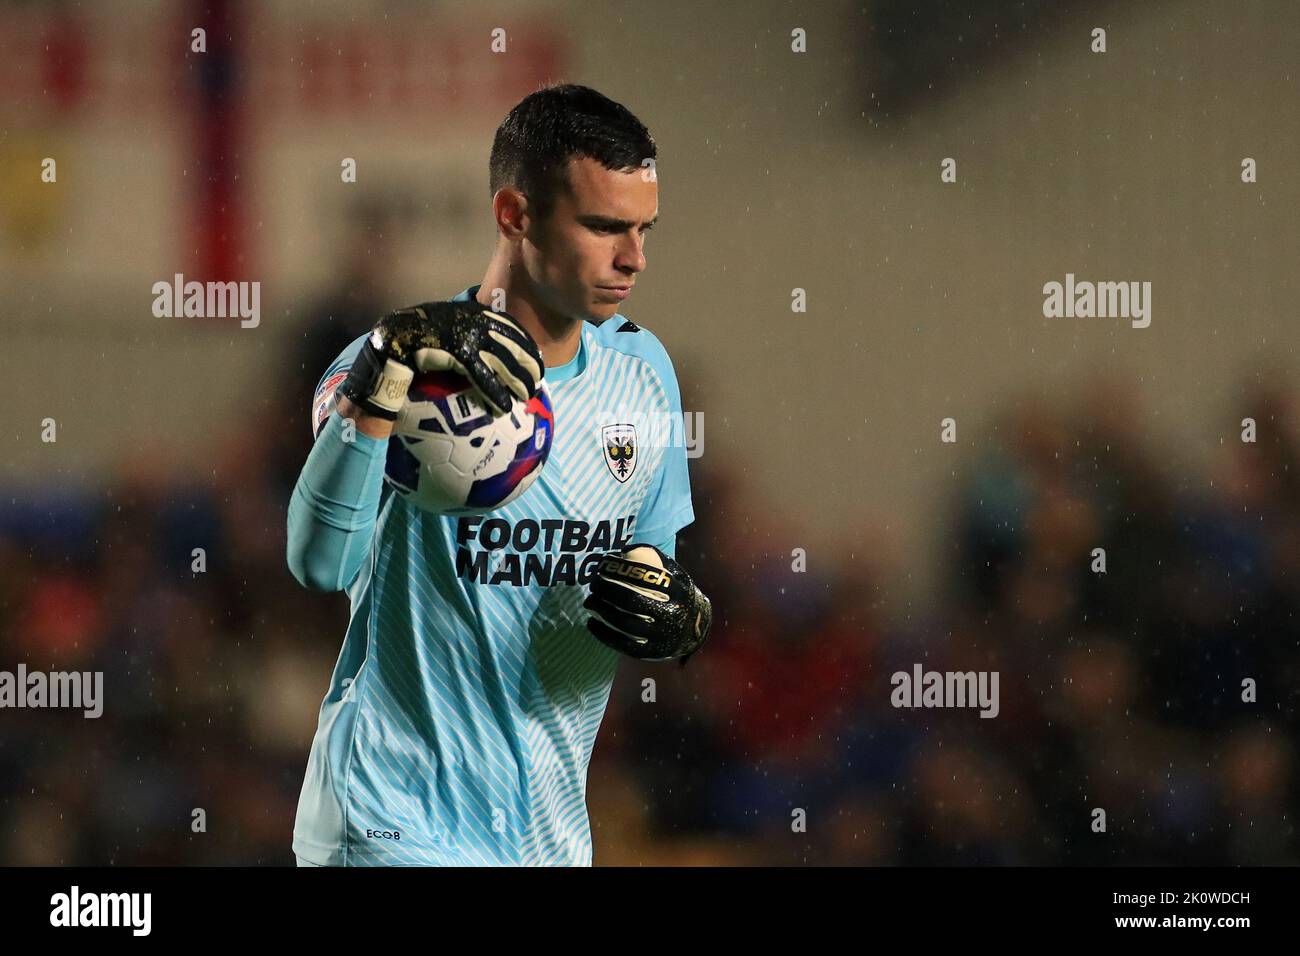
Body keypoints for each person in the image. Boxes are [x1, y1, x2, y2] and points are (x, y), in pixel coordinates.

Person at [285, 84, 712, 866]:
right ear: (514, 215)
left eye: (644, 229)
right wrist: (378, 383)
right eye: (604, 226)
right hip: (391, 821)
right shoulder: (392, 367)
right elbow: (317, 565)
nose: (634, 257)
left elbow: (648, 566)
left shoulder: (644, 375)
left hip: (543, 838)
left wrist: (676, 614)